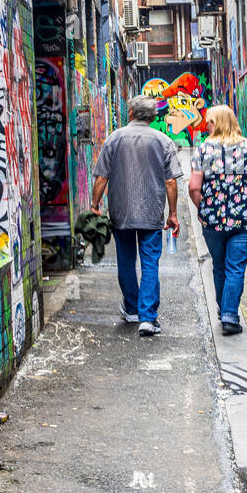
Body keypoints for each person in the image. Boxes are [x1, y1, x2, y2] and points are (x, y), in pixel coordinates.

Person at [91, 95, 184, 336]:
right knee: (150, 262)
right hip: (151, 212)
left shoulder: (115, 137)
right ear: (153, 117)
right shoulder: (164, 141)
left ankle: (131, 308)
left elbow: (102, 177)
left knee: (126, 260)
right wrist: (172, 213)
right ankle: (147, 318)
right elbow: (171, 182)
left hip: (121, 212)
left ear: (131, 112)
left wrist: (95, 204)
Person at [189, 105, 247, 335]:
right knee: (235, 267)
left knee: (219, 264)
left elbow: (194, 187)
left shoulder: (204, 149)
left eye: (210, 121)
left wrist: (203, 207)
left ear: (218, 122)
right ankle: (229, 316)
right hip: (244, 220)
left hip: (213, 220)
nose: (207, 125)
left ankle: (223, 309)